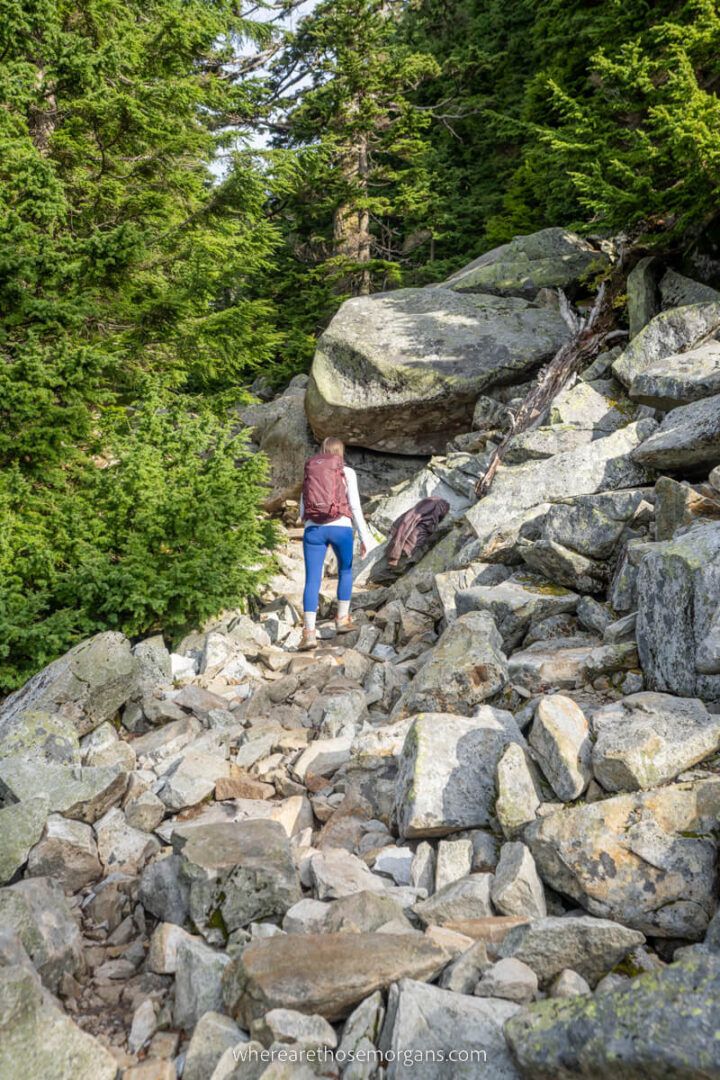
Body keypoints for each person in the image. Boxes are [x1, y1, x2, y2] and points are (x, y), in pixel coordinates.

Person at [299, 437, 375, 651]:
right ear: (341, 452)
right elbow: (355, 507)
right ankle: (342, 619)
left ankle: (309, 634)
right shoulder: (347, 472)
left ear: (322, 450)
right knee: (345, 571)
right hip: (341, 527)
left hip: (313, 529)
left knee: (313, 579)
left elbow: (302, 510)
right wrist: (365, 538)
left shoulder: (311, 469)